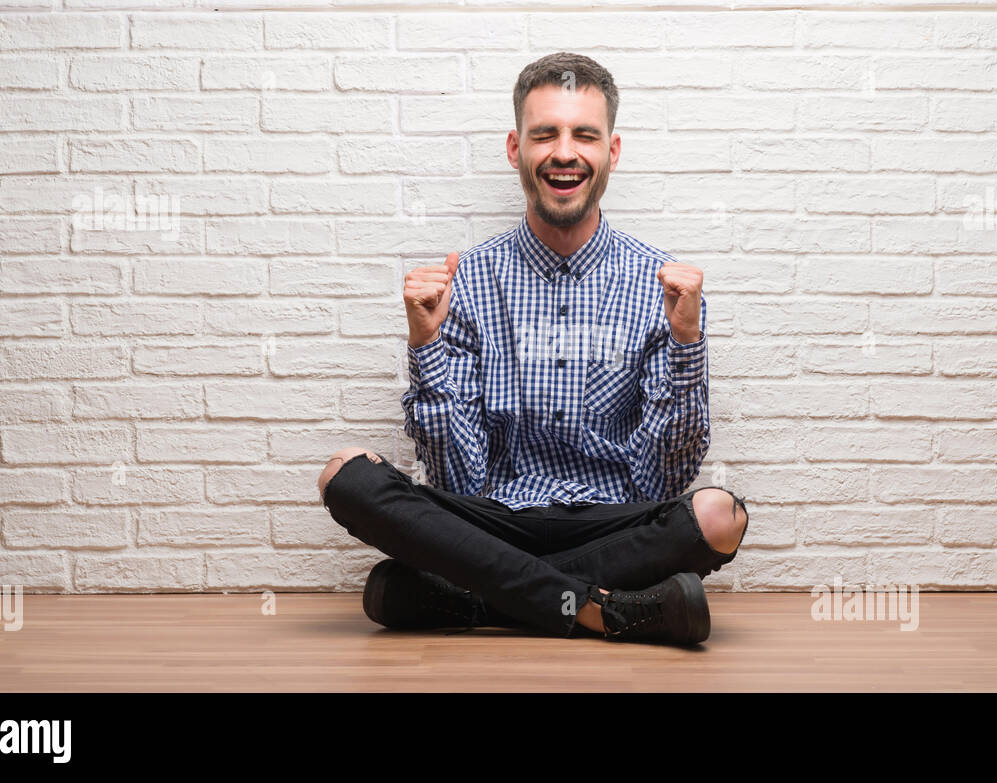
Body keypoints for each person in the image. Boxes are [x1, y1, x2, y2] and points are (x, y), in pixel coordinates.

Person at [317, 51, 749, 646]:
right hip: (494, 522)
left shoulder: (664, 287)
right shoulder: (465, 281)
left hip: (610, 525)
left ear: (612, 152)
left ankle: (470, 599)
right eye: (545, 134)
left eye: (584, 136)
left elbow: (660, 483)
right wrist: (428, 344)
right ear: (516, 148)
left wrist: (685, 343)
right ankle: (605, 610)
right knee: (344, 475)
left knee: (719, 516)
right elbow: (456, 480)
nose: (565, 152)